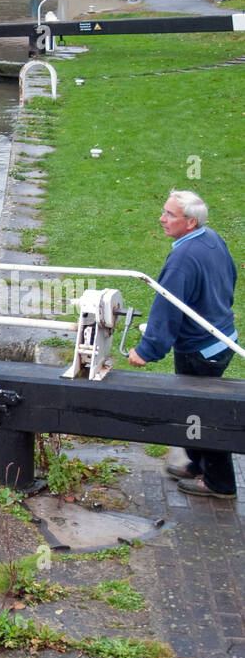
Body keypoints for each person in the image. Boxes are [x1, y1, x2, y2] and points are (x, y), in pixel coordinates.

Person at [127, 190, 238, 498]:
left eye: (169, 215)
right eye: (163, 211)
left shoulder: (182, 259)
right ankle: (197, 464)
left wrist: (146, 351)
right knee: (195, 407)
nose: (161, 219)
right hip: (222, 339)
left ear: (190, 222)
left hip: (201, 349)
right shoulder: (210, 238)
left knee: (200, 413)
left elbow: (167, 309)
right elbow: (231, 275)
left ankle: (220, 482)